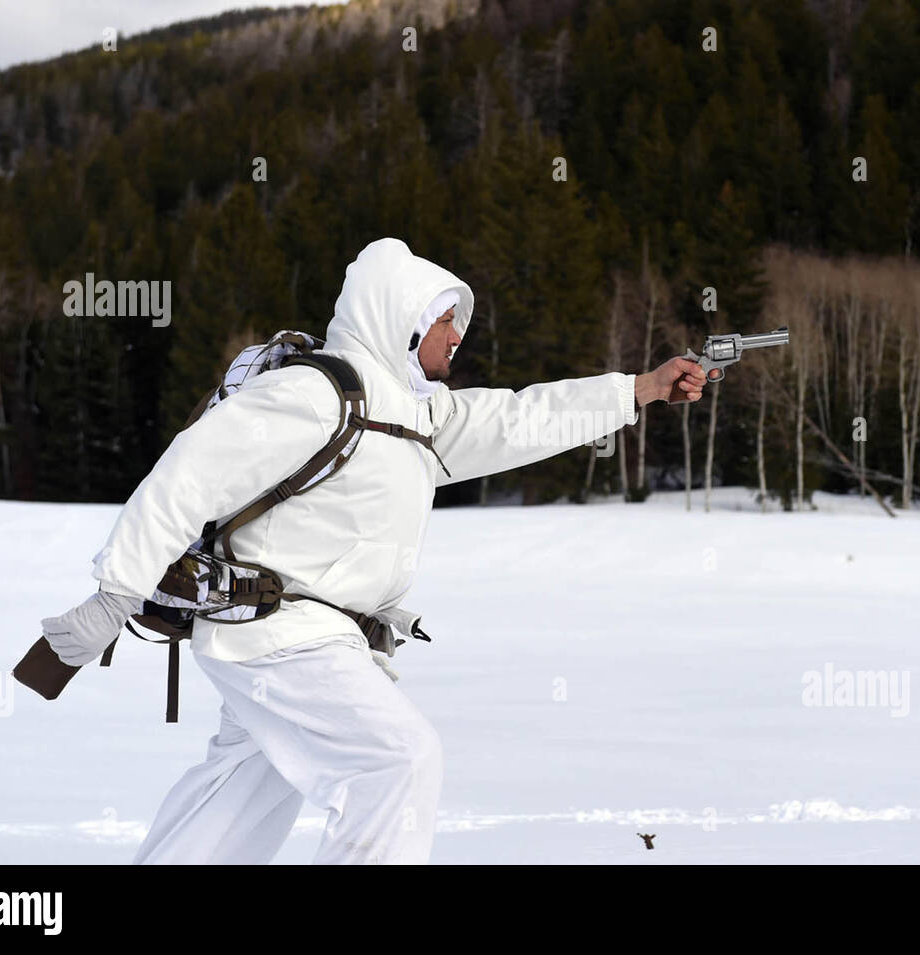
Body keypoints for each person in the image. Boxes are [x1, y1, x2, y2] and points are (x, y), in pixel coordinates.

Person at [38, 237, 707, 864]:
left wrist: (637, 389)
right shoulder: (315, 392)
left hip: (306, 642)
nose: (457, 335)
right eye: (446, 319)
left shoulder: (421, 417)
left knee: (234, 804)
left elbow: (520, 418)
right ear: (403, 319)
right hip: (281, 636)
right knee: (397, 760)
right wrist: (116, 591)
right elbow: (193, 472)